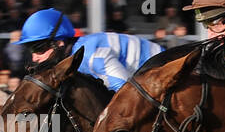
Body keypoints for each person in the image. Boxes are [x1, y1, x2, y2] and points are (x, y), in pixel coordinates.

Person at [15, 7, 162, 93]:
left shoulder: (92, 57)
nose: (34, 58)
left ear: (59, 43)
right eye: (30, 49)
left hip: (162, 69)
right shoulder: (74, 55)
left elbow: (127, 94)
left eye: (38, 49)